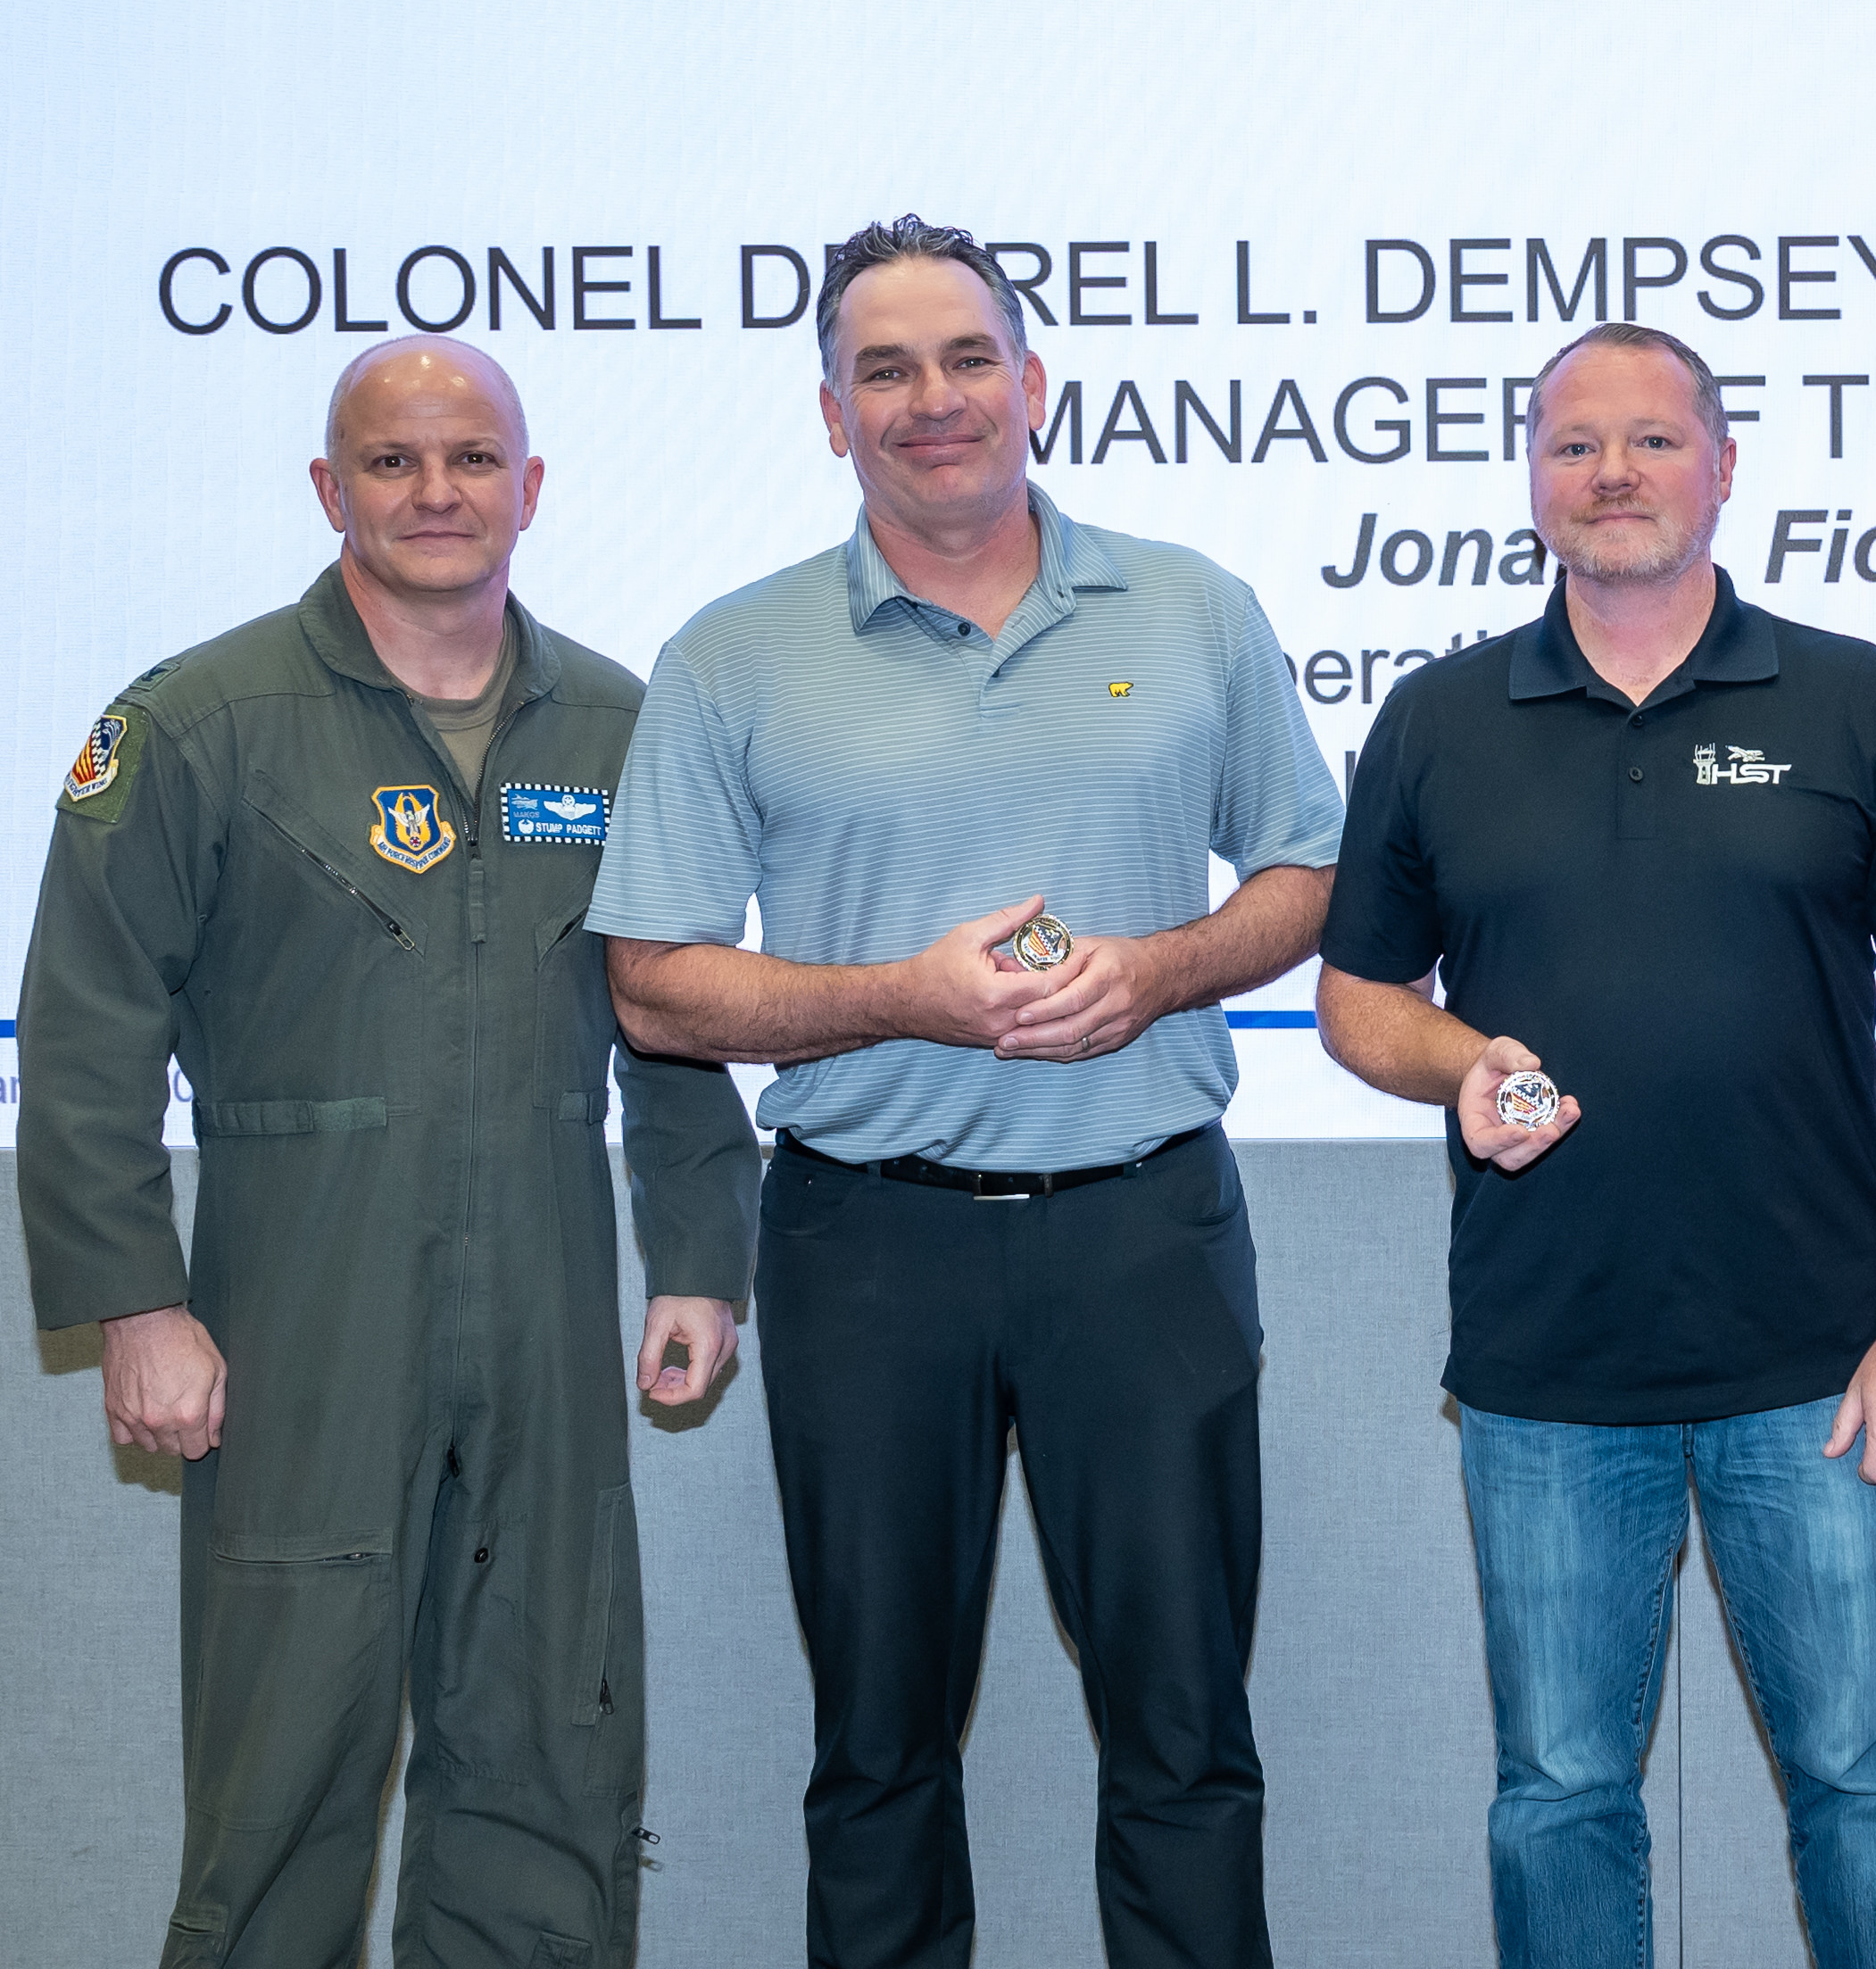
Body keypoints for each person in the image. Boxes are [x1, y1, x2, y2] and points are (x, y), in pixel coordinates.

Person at [587, 216, 1340, 1969]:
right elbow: (654, 981)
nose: (933, 399)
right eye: (886, 370)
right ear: (830, 414)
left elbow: (1309, 874)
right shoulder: (732, 654)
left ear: (1034, 383)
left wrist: (1157, 968)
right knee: (877, 1748)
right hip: (868, 1244)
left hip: (1143, 1228)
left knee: (1184, 1733)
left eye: (966, 358)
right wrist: (898, 1000)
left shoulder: (1193, 609)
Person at [16, 336, 761, 1967]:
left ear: (530, 487)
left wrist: (703, 1257)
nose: (437, 491)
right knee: (285, 1765)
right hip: (302, 1315)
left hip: (548, 1313)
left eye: (473, 458)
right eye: (393, 460)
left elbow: (678, 1007)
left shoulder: (619, 730)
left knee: (549, 1747)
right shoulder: (201, 723)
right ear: (328, 487)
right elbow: (83, 1032)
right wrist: (135, 1302)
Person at [1314, 321, 1876, 1969]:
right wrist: (1459, 1061)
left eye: (1651, 440)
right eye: (1574, 445)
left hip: (1824, 1367)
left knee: (1865, 1790)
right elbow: (1356, 1001)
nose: (1612, 473)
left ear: (1723, 466)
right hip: (1547, 1372)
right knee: (1558, 1796)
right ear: (1531, 479)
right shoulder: (1438, 717)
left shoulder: (1851, 696)